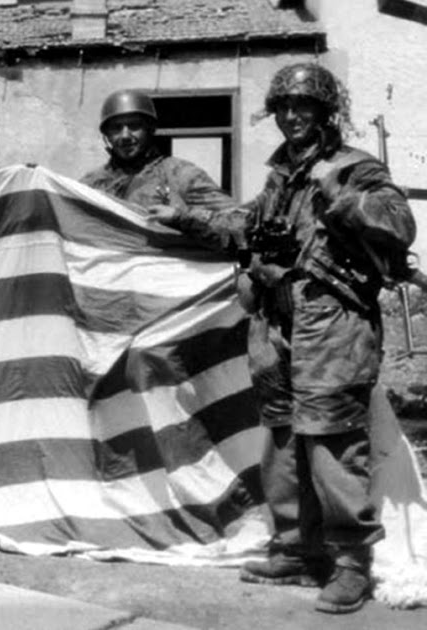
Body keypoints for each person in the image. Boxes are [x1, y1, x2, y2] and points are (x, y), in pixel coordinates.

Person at [146, 63, 416, 614]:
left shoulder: (353, 168)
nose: (293, 117)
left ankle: (350, 563)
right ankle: (296, 547)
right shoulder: (280, 176)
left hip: (333, 322)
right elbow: (246, 226)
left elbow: (400, 223)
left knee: (332, 440)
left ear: (325, 112)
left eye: (305, 107)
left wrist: (341, 197)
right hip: (278, 317)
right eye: (285, 108)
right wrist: (184, 218)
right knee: (282, 437)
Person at [80, 89, 236, 221]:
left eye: (134, 126)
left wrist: (180, 217)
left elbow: (237, 221)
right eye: (116, 128)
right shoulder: (90, 184)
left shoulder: (180, 175)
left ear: (150, 129)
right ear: (106, 135)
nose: (125, 135)